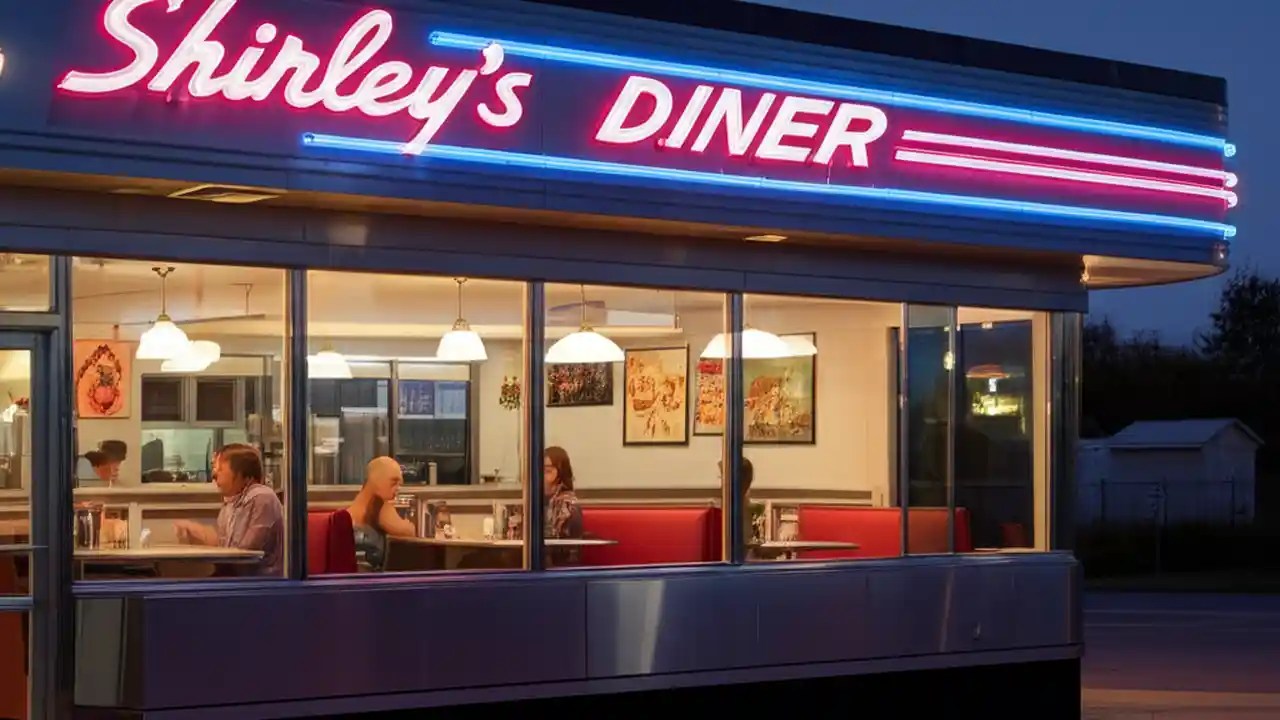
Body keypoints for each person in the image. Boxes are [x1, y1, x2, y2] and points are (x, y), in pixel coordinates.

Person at [174, 445, 283, 576]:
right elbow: (227, 547)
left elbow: (246, 554)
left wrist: (206, 535)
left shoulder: (263, 498)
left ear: (242, 474)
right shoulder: (230, 503)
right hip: (232, 577)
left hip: (257, 582)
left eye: (220, 469)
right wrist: (199, 535)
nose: (214, 475)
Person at [346, 456, 417, 571]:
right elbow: (409, 532)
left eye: (399, 484)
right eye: (394, 482)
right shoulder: (379, 506)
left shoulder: (355, 506)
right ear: (377, 480)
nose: (398, 488)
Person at [543, 446, 582, 540]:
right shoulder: (533, 499)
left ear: (561, 471)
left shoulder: (568, 504)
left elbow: (564, 542)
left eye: (547, 470)